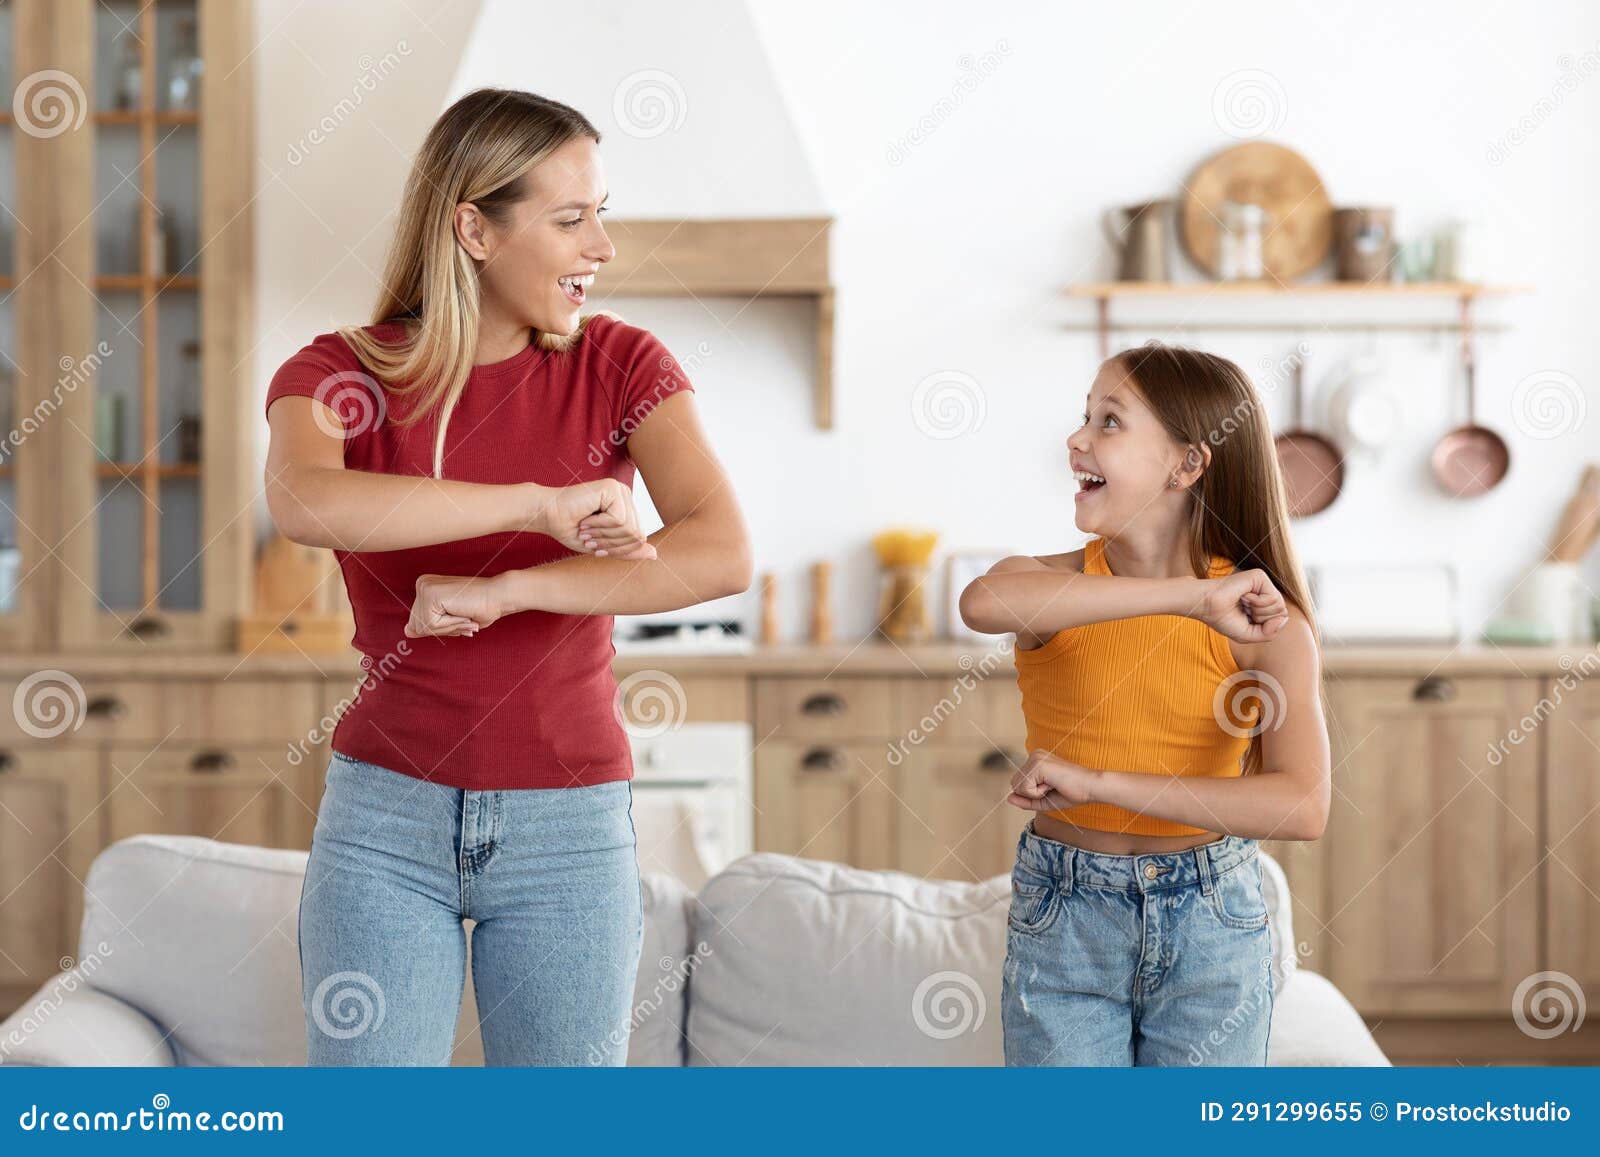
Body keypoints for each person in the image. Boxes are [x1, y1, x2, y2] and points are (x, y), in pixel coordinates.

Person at [263, 88, 751, 1066]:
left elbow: (720, 550)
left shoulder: (619, 365)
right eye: (572, 220)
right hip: (385, 815)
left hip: (568, 820)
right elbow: (307, 503)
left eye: (601, 214)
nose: (601, 247)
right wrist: (537, 503)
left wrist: (515, 588)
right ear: (473, 228)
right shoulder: (342, 371)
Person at [959, 342, 1329, 1066]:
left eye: (1109, 421)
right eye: (1084, 417)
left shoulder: (1265, 622)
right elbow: (983, 601)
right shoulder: (1050, 587)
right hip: (1065, 914)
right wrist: (1194, 598)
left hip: (1212, 920)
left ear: (1187, 464)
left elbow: (1302, 806)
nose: (1076, 439)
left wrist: (1099, 785)